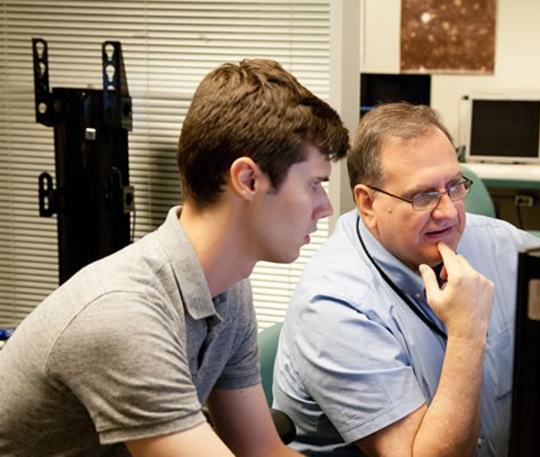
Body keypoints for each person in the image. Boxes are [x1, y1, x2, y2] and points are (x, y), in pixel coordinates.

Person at [0, 58, 348, 456]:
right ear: (248, 179)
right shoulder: (124, 314)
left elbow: (260, 450)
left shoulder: (229, 288)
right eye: (314, 184)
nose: (325, 208)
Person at [273, 102, 540, 456]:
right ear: (368, 204)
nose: (448, 211)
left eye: (454, 186)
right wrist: (467, 333)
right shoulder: (332, 304)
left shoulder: (496, 243)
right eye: (424, 196)